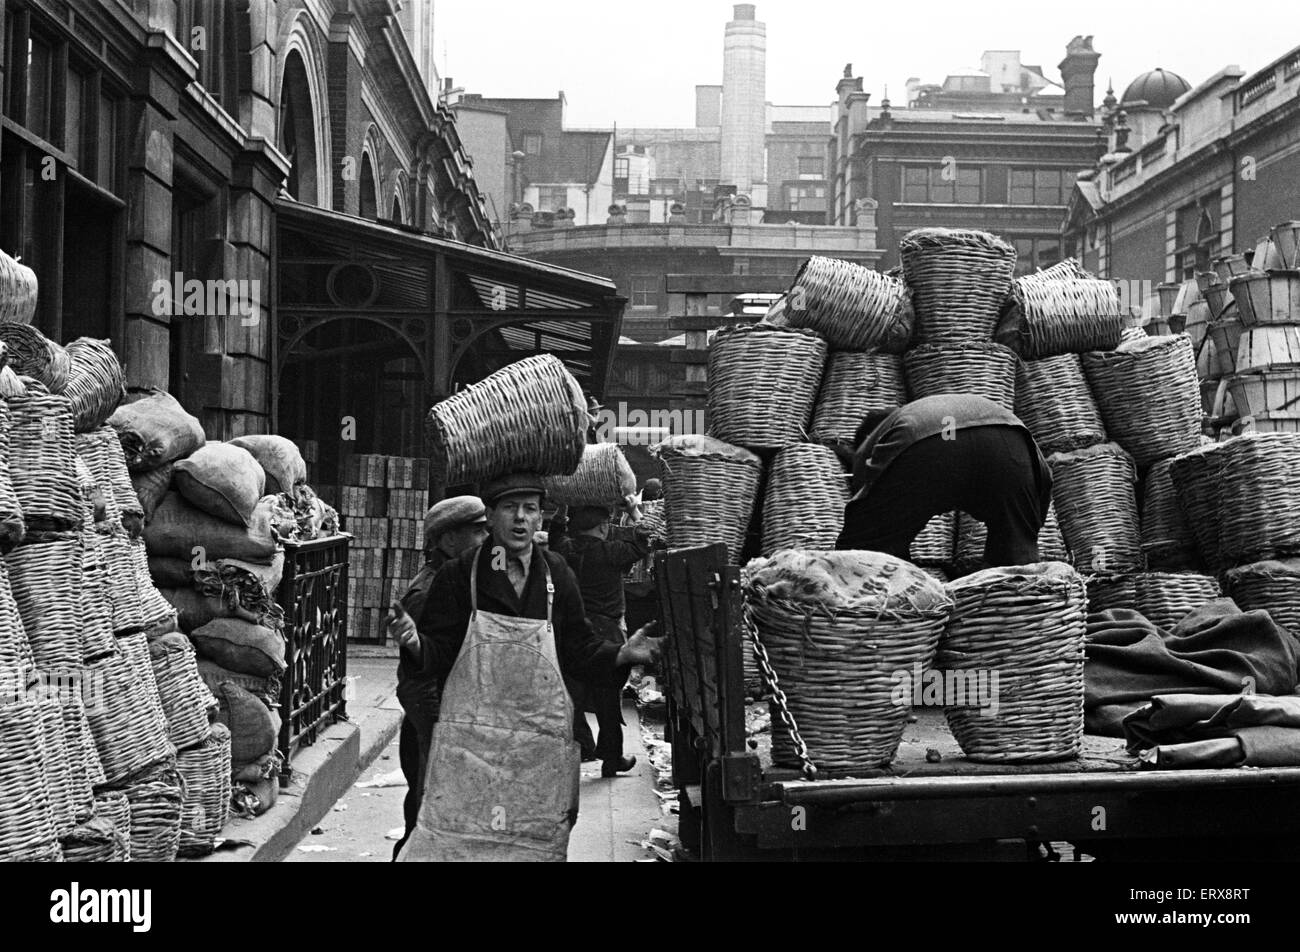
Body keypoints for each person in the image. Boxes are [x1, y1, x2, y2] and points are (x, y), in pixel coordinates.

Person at [390, 472, 661, 862]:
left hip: (536, 750)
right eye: (510, 509)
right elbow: (437, 655)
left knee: (529, 845)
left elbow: (579, 649)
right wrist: (416, 644)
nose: (520, 519)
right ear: (492, 517)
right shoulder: (458, 576)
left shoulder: (556, 574)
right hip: (472, 748)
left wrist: (620, 656)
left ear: (539, 519)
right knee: (462, 842)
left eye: (529, 510)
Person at [836, 393, 1052, 566]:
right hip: (1011, 441)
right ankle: (1014, 614)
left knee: (863, 555)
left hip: (935, 440)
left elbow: (865, 506)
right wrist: (1025, 530)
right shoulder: (919, 409)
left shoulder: (874, 440)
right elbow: (1043, 478)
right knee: (1015, 565)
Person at [390, 495, 488, 860]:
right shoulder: (429, 590)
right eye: (477, 532)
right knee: (429, 803)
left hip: (439, 707)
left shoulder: (456, 581)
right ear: (448, 541)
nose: (485, 539)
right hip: (430, 708)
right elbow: (417, 670)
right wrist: (436, 720)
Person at [552, 505, 653, 777]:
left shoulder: (565, 550)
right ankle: (611, 757)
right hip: (606, 631)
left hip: (572, 630)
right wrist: (635, 514)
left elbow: (554, 535)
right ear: (603, 527)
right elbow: (644, 543)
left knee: (570, 693)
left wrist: (562, 511)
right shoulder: (611, 552)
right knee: (608, 697)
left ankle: (579, 746)